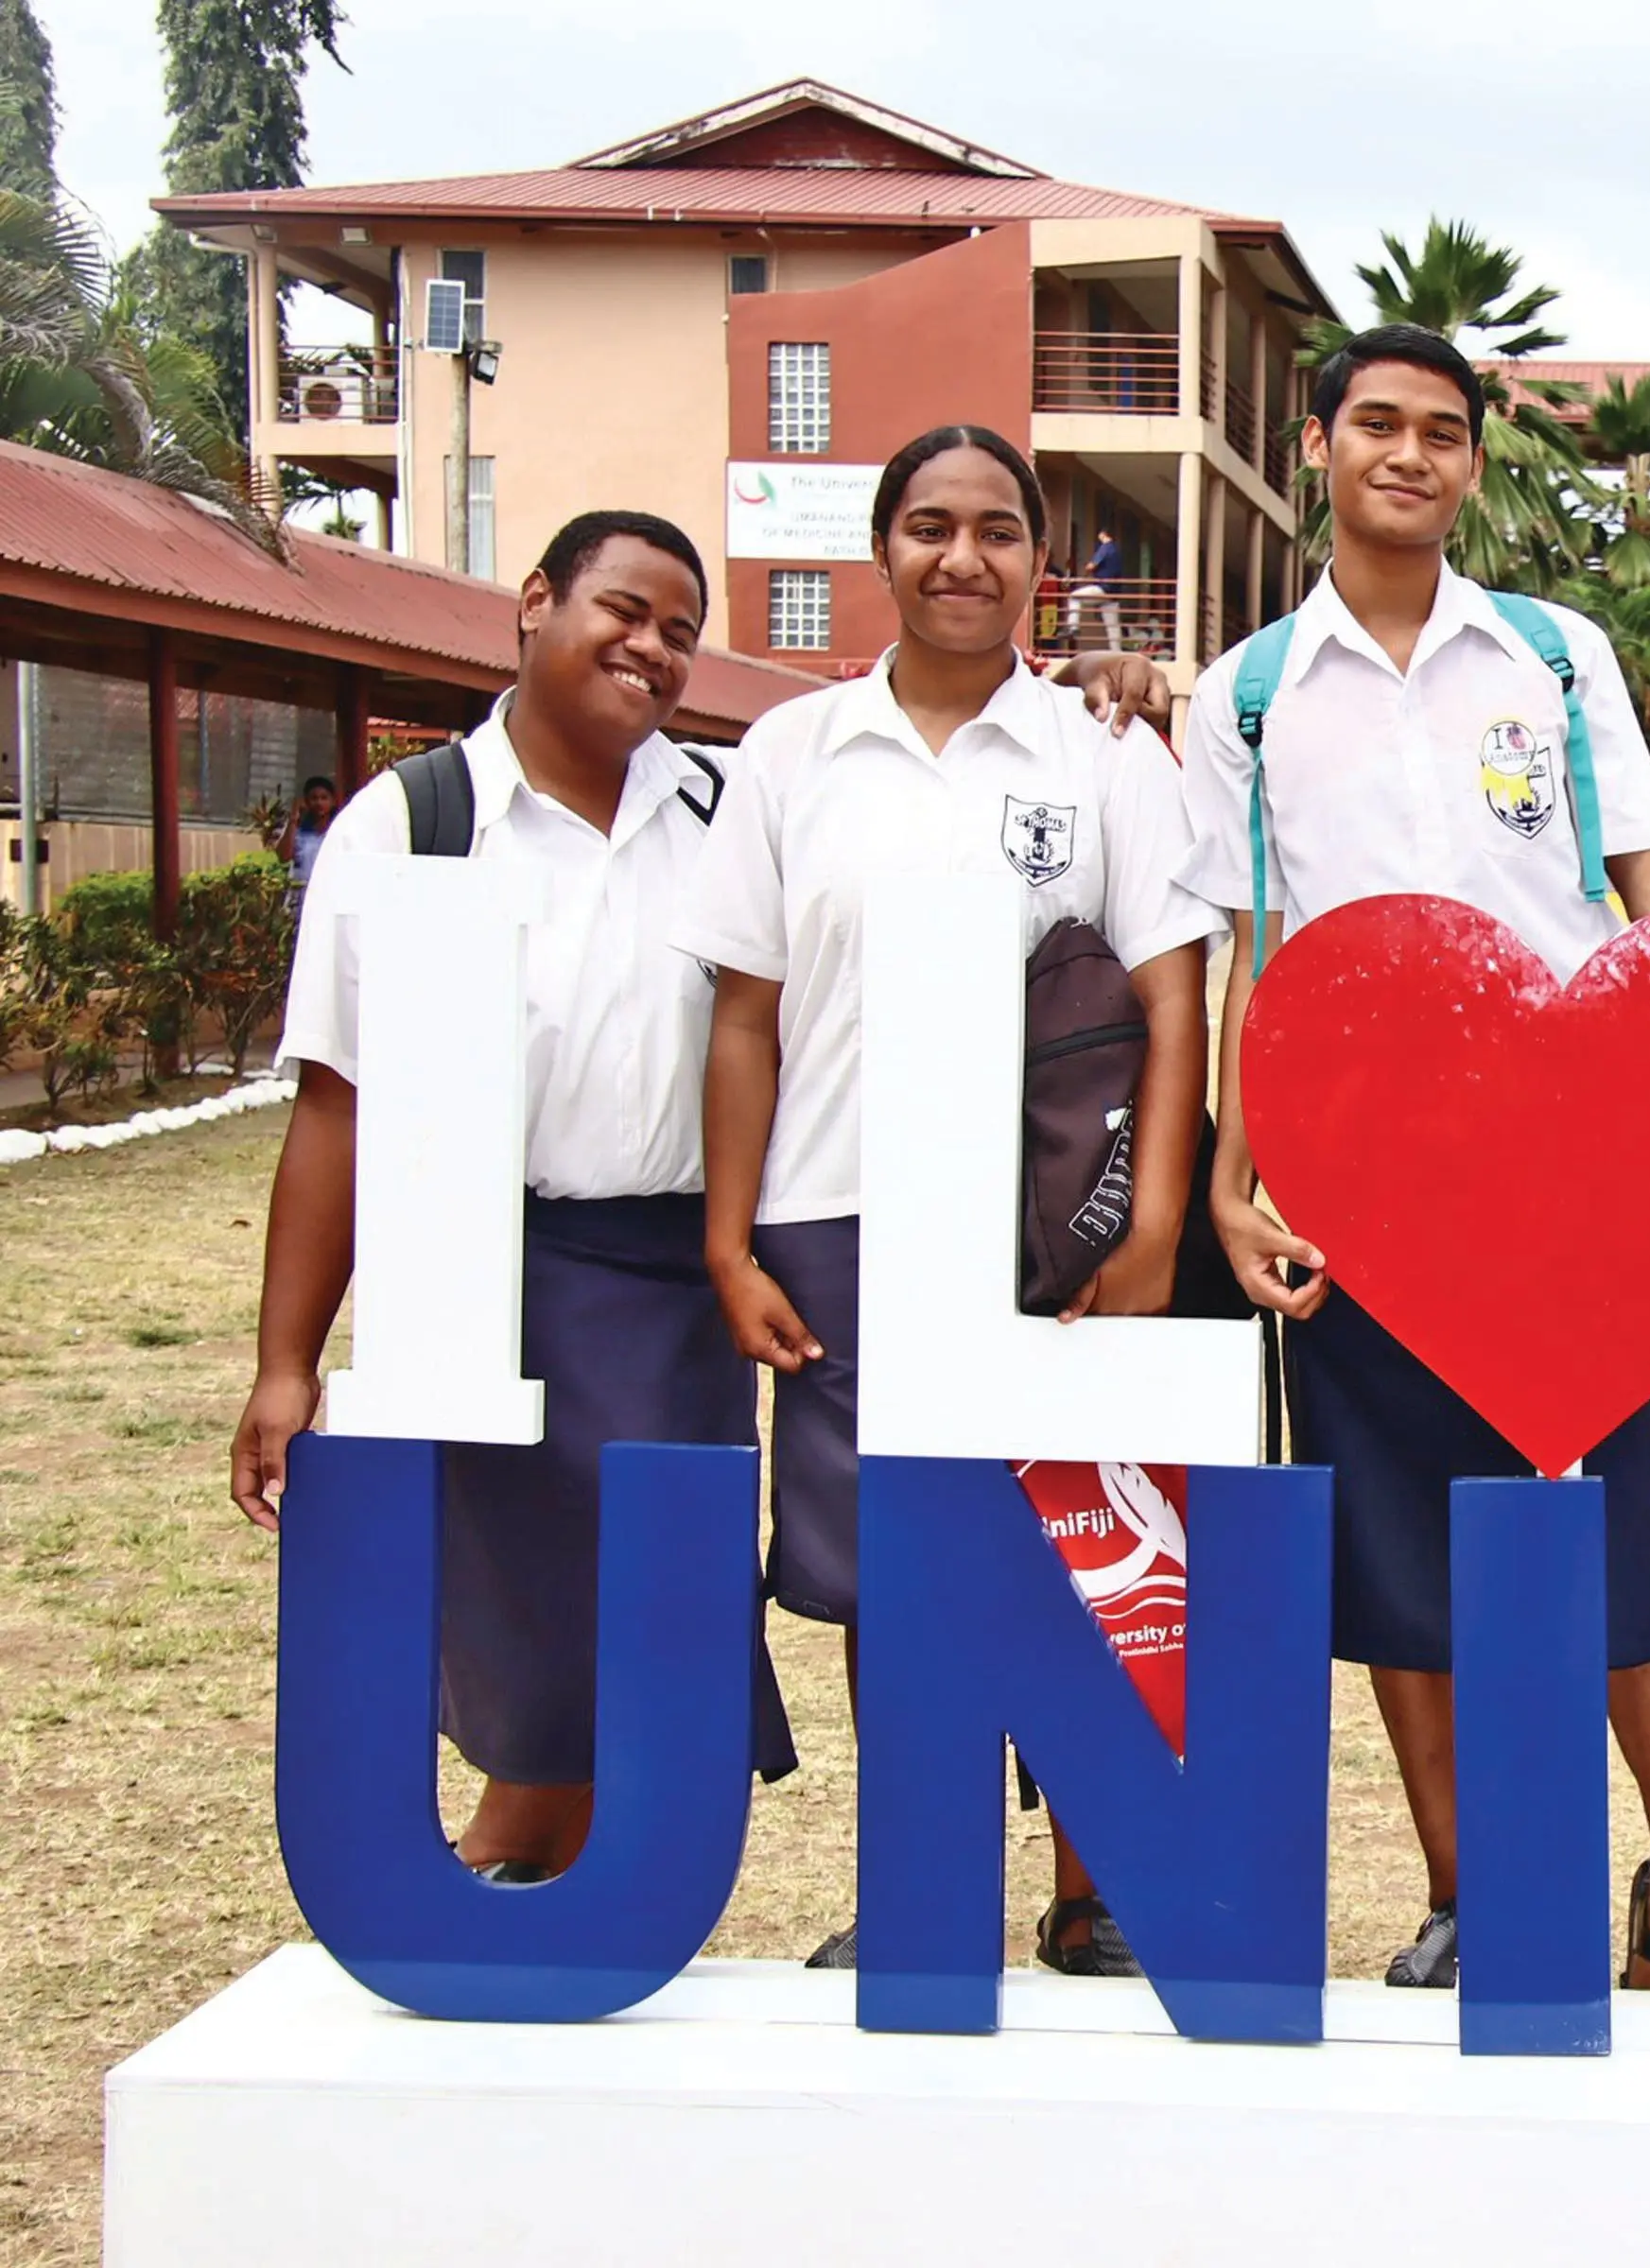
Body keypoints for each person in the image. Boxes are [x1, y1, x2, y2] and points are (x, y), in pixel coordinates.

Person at [1180, 323, 1650, 1996]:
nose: (1409, 454)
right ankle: (1470, 1882)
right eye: (1378, 426)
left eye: (1442, 431)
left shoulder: (1555, 661)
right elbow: (1252, 962)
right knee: (1396, 1546)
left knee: (1612, 1528)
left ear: (1475, 462)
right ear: (1319, 447)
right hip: (1354, 1174)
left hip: (1562, 1160)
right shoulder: (1251, 691)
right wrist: (1229, 1177)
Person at [677, 425, 1224, 1976]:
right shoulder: (792, 754)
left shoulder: (1100, 750)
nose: (961, 556)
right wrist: (730, 1234)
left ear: (1039, 561)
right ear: (882, 548)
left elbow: (1173, 996)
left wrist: (1154, 1222)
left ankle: (1093, 1879)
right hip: (845, 1215)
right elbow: (743, 1013)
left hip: (1052, 1225)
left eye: (996, 528)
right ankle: (923, 1868)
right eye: (928, 525)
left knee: (1082, 1543)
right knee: (888, 1562)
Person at [231, 510, 797, 1880]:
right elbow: (338, 1105)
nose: (652, 647)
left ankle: (557, 1963)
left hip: (674, 1295)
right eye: (624, 609)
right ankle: (488, 1916)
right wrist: (286, 1361)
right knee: (538, 1681)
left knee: (652, 1678)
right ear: (535, 601)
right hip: (488, 1286)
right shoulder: (415, 821)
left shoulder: (729, 813)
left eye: (680, 630)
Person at [1073, 522, 1129, 654]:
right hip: (1114, 593)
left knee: (1074, 597)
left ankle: (1073, 626)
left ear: (1103, 534)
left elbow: (1092, 565)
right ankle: (1117, 653)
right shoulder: (1117, 551)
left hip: (1103, 588)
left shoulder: (1105, 548)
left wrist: (1083, 574)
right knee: (1113, 626)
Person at [283, 775, 337, 902]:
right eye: (314, 798)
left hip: (328, 896)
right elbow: (284, 856)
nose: (319, 803)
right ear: (306, 801)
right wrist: (293, 819)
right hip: (300, 895)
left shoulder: (338, 830)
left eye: (324, 798)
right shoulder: (298, 829)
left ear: (333, 801)